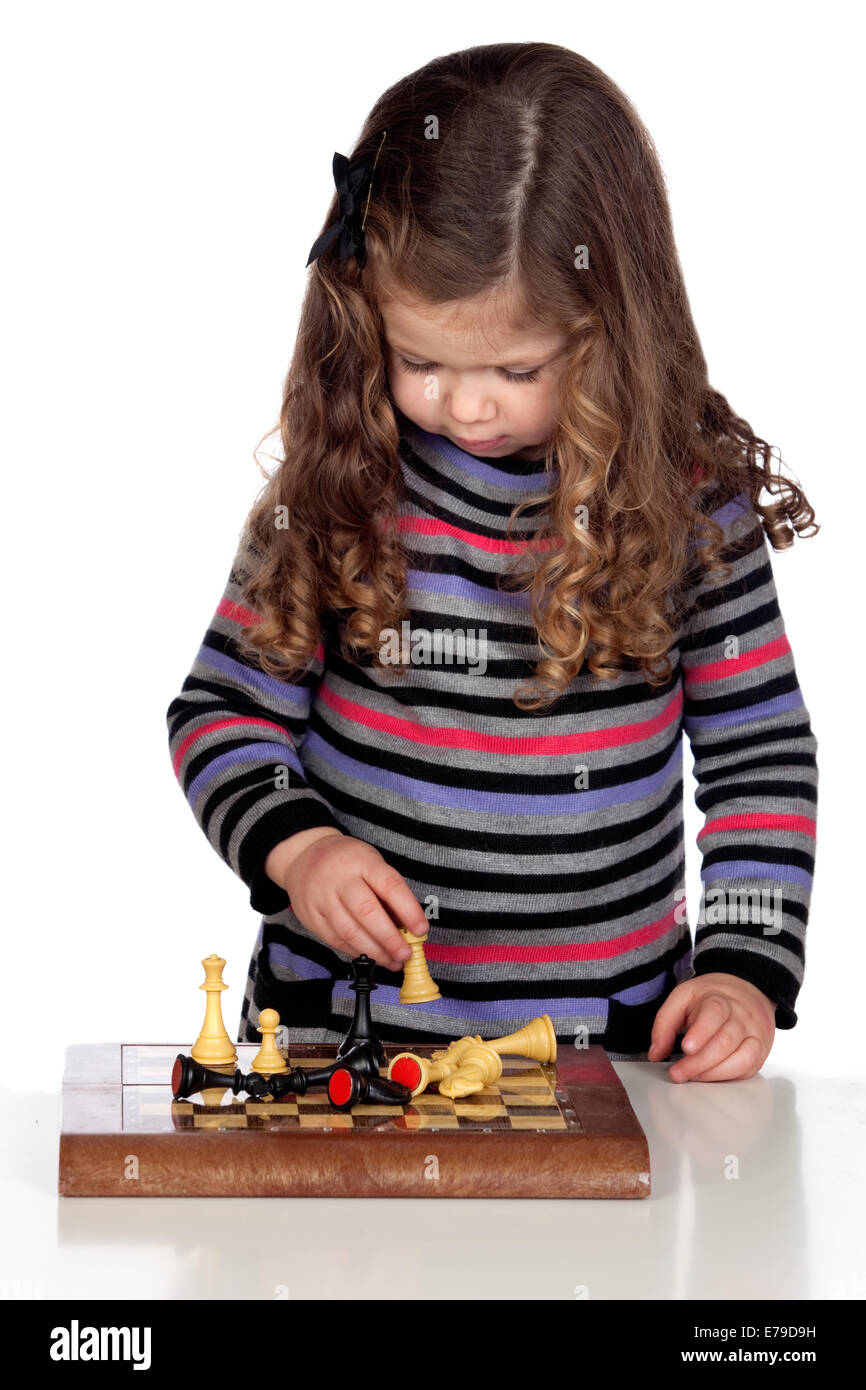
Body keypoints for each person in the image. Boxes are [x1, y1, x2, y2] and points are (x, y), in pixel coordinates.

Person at [166, 42, 819, 1079]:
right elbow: (220, 714)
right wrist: (298, 849)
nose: (464, 404)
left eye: (516, 368)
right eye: (419, 360)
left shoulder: (689, 514)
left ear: (611, 330)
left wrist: (744, 965)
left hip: (606, 1052)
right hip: (339, 1042)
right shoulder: (338, 494)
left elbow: (758, 760)